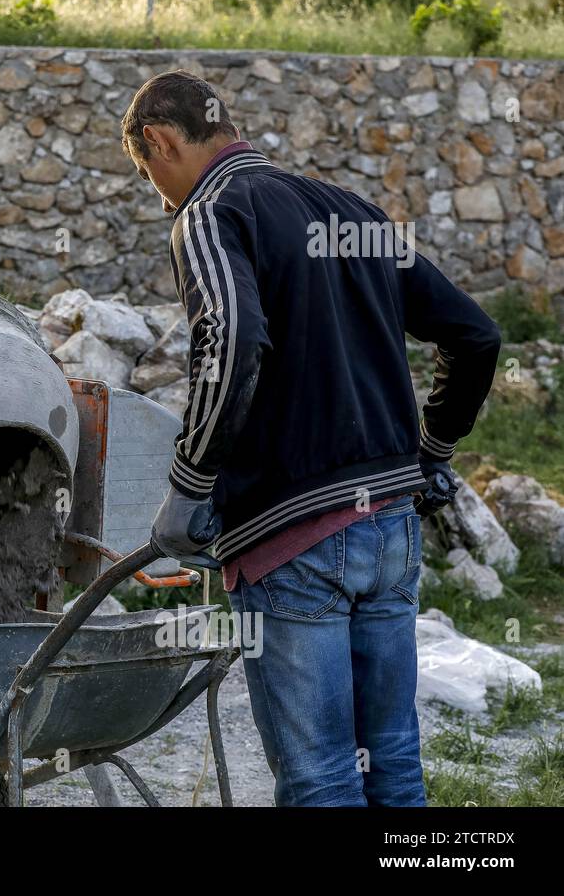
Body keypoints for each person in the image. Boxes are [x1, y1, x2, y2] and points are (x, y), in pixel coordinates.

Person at [121, 69, 501, 806]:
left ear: (160, 141)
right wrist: (433, 454)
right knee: (390, 756)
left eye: (149, 174)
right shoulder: (348, 210)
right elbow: (477, 336)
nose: (159, 195)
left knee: (322, 774)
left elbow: (231, 340)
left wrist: (191, 484)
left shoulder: (210, 211)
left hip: (293, 543)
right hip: (391, 531)